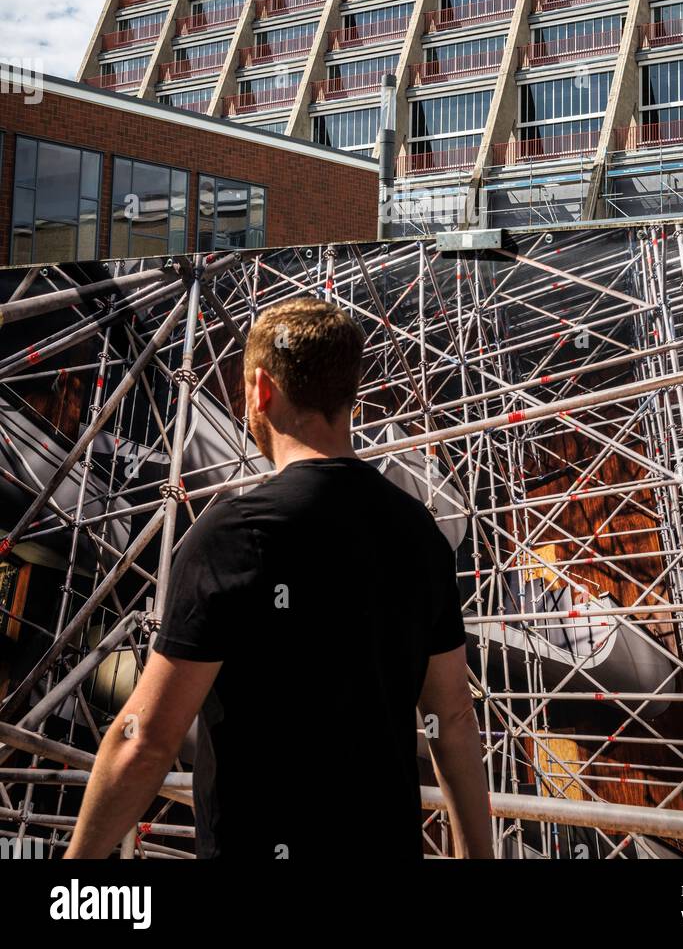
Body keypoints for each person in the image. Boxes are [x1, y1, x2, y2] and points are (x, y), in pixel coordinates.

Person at [64, 296, 493, 861]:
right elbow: (452, 721)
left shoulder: (234, 535)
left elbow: (145, 740)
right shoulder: (422, 534)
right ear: (350, 395)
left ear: (261, 389)